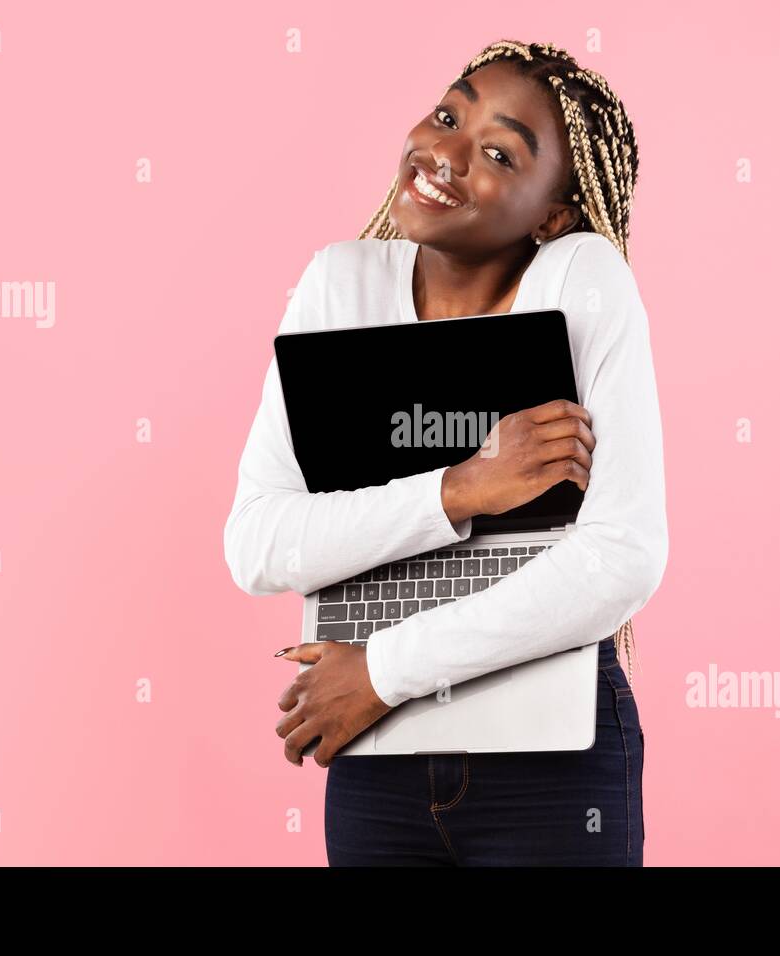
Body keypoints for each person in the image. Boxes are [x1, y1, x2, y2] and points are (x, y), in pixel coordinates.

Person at [224, 39, 668, 865]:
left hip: (547, 763)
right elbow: (256, 544)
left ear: (553, 214)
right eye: (447, 115)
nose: (445, 155)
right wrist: (458, 492)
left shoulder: (582, 279)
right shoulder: (340, 284)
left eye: (499, 153)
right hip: (377, 758)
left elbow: (622, 558)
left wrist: (381, 672)